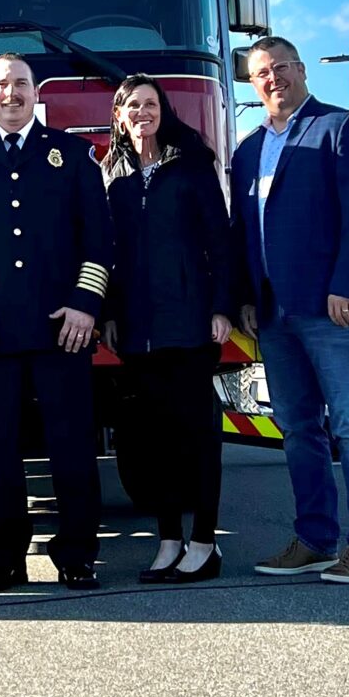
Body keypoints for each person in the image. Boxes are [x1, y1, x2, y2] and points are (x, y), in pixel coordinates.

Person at [0, 53, 113, 590]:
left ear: (37, 93)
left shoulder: (74, 155)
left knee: (72, 445)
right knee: (1, 449)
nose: (10, 94)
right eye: (1, 86)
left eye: (20, 85)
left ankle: (77, 551)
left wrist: (86, 303)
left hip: (64, 328)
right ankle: (6, 554)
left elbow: (99, 238)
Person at [231, 37, 349, 584]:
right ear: (252, 85)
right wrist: (246, 299)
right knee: (298, 428)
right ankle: (316, 539)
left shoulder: (341, 128)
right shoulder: (247, 149)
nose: (272, 79)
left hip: (332, 308)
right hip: (273, 313)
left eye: (280, 68)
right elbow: (242, 233)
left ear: (300, 70)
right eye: (260, 74)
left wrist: (346, 284)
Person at [102, 76, 233, 586]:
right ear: (119, 115)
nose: (141, 112)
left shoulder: (191, 163)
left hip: (189, 323)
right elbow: (107, 254)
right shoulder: (112, 174)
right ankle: (168, 540)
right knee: (154, 442)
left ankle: (204, 543)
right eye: (131, 105)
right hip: (138, 330)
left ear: (163, 110)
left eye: (150, 104)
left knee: (196, 436)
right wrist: (111, 313)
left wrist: (221, 305)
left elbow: (218, 239)